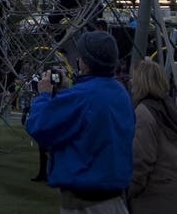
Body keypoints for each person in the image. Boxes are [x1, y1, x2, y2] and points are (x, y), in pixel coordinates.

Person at [26, 31, 134, 214]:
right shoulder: (119, 92)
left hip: (86, 201)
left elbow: (39, 126)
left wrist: (44, 95)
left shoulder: (83, 96)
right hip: (114, 198)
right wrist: (66, 92)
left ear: (86, 61)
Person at [128, 57, 177, 213]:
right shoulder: (169, 107)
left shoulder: (144, 113)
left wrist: (129, 191)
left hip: (152, 197)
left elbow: (141, 160)